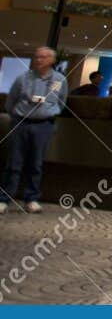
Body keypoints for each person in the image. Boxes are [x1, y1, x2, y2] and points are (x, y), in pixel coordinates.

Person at [1, 47, 68, 214]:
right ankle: (4, 199)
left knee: (36, 163)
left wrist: (47, 113)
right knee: (13, 163)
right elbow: (11, 102)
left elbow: (61, 102)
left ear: (52, 60)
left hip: (44, 125)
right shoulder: (23, 79)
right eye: (37, 56)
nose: (39, 60)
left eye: (44, 57)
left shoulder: (59, 80)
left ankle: (31, 199)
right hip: (20, 123)